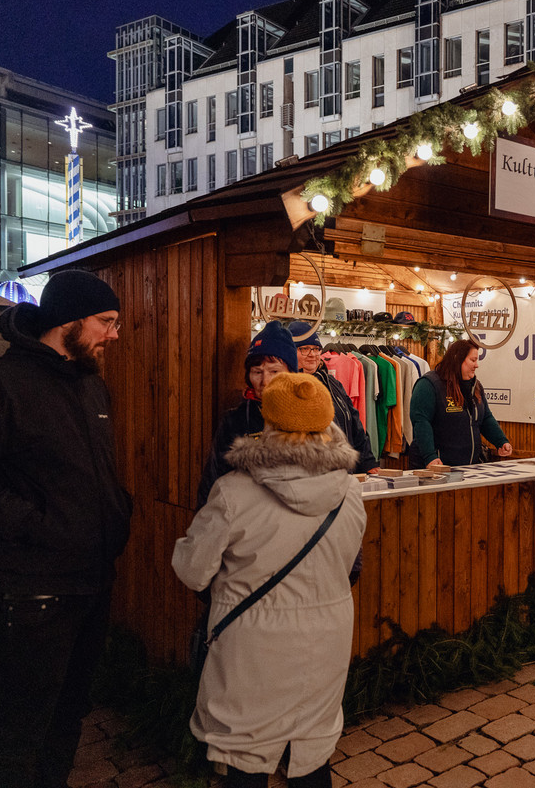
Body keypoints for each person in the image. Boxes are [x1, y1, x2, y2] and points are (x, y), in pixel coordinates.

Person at [0, 269, 131, 788]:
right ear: (69, 320)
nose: (115, 334)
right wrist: (39, 525)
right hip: (34, 586)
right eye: (106, 322)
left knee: (69, 712)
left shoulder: (91, 385)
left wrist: (116, 510)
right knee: (23, 722)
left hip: (93, 577)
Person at [173, 374, 366, 788]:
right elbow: (349, 564)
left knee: (246, 756)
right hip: (327, 642)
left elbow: (192, 571)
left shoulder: (232, 492)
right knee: (311, 751)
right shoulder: (350, 493)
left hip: (251, 649)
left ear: (267, 418)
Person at [198, 321, 301, 506]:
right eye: (257, 372)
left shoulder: (307, 416)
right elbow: (212, 482)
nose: (265, 381)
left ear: (291, 373)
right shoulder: (234, 420)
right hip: (245, 521)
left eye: (274, 371)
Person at [287, 321, 380, 474]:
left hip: (346, 472)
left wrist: (368, 462)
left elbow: (355, 422)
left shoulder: (332, 383)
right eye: (304, 349)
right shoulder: (288, 388)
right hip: (316, 474)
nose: (313, 354)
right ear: (291, 351)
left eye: (316, 349)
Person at [409, 340, 512, 468]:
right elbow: (421, 422)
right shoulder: (429, 384)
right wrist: (430, 456)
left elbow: (485, 418)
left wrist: (501, 441)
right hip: (437, 467)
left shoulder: (476, 386)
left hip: (468, 468)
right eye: (473, 360)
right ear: (457, 359)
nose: (477, 365)